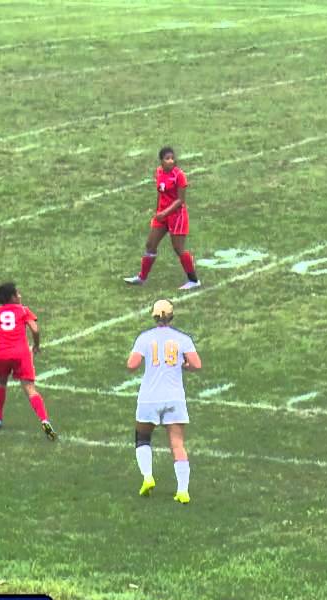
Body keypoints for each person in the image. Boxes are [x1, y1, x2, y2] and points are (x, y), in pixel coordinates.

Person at [127, 299, 201, 504]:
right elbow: (196, 364)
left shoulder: (144, 338)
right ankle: (183, 491)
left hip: (149, 397)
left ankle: (148, 477)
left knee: (142, 437)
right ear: (172, 316)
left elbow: (132, 364)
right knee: (177, 444)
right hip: (174, 397)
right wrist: (184, 366)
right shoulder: (182, 338)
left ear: (153, 316)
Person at [0, 282, 56, 440]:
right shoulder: (23, 310)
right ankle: (45, 422)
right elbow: (35, 329)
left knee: (1, 382)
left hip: (0, 353)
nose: (20, 296)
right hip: (20, 353)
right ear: (12, 297)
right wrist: (36, 345)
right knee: (30, 388)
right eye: (17, 294)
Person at [124, 147, 200, 290]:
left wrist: (164, 213)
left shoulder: (179, 176)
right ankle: (141, 278)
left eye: (172, 158)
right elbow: (160, 192)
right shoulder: (159, 172)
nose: (171, 161)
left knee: (178, 248)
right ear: (161, 161)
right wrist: (158, 210)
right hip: (162, 215)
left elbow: (180, 201)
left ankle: (193, 280)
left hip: (176, 216)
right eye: (167, 158)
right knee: (150, 244)